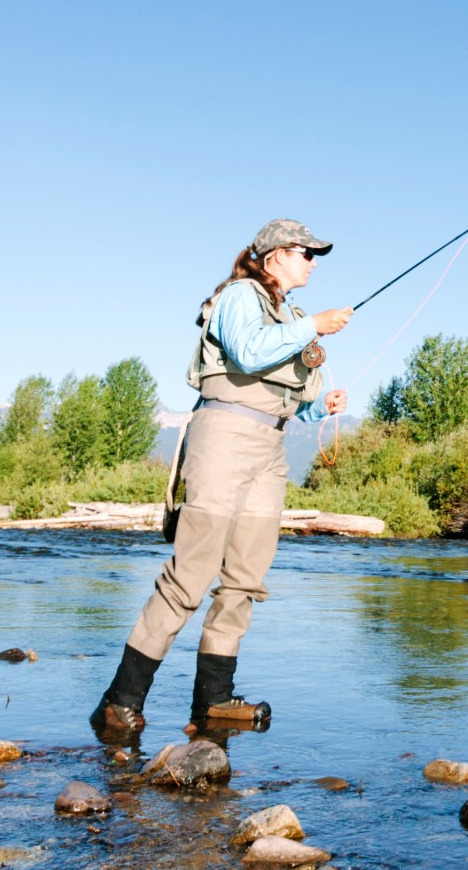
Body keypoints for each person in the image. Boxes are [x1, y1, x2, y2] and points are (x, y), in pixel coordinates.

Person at [90, 217, 351, 739]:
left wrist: (319, 405)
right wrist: (314, 326)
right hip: (223, 438)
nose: (313, 262)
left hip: (269, 448)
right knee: (191, 575)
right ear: (275, 254)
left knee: (244, 580)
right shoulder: (238, 296)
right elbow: (249, 353)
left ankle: (212, 702)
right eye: (306, 252)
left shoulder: (289, 313)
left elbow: (289, 400)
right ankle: (120, 700)